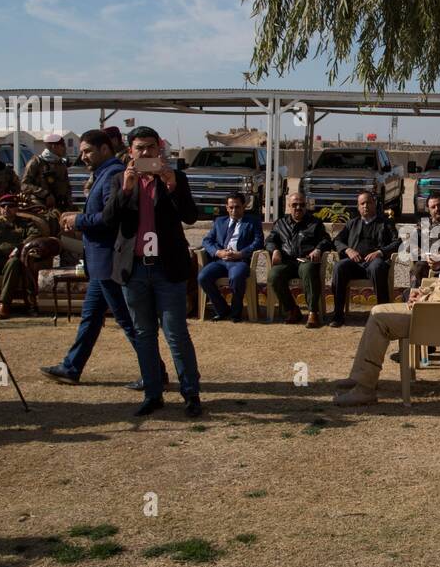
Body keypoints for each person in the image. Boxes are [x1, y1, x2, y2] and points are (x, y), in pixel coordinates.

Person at [334, 202, 440, 406]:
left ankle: (365, 388)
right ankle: (360, 376)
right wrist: (423, 291)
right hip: (439, 312)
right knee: (376, 311)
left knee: (379, 318)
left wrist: (422, 300)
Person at [39, 130, 162, 389]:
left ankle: (155, 373)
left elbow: (110, 218)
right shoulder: (104, 173)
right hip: (99, 262)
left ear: (104, 149)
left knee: (128, 322)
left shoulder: (113, 175)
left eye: (87, 151)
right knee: (91, 317)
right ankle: (71, 367)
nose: (82, 156)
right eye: (82, 151)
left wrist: (78, 220)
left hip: (109, 262)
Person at [104, 126, 202, 417]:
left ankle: (191, 394)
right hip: (133, 270)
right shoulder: (118, 180)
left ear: (159, 148)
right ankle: (152, 393)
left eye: (150, 147)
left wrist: (172, 187)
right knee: (144, 333)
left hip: (166, 268)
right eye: (139, 148)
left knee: (176, 333)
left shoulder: (176, 178)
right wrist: (127, 189)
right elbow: (109, 220)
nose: (145, 153)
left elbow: (190, 217)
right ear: (130, 151)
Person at [329, 190, 400, 328]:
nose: (365, 206)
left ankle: (382, 314)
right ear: (358, 207)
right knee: (339, 266)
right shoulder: (352, 223)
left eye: (368, 203)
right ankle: (338, 315)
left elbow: (397, 242)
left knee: (377, 267)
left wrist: (380, 252)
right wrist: (348, 250)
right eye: (362, 203)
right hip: (355, 264)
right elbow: (337, 241)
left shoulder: (385, 223)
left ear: (375, 204)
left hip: (375, 263)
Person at [266, 191, 331, 327]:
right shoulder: (280, 223)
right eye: (294, 205)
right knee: (274, 275)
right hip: (287, 262)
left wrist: (318, 249)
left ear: (306, 206)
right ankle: (292, 309)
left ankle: (313, 312)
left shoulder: (315, 223)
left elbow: (326, 240)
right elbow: (270, 240)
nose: (298, 208)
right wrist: (275, 250)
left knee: (308, 269)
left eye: (301, 205)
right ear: (289, 206)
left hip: (306, 261)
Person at [198, 193, 264, 322]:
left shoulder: (252, 222)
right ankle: (222, 309)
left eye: (237, 207)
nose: (234, 210)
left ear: (244, 206)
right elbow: (207, 241)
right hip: (220, 261)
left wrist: (240, 254)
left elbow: (258, 242)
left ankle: (236, 312)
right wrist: (218, 252)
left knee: (236, 276)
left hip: (239, 261)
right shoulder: (219, 221)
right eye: (231, 207)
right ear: (227, 207)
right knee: (203, 277)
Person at [22, 131, 73, 212]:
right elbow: (24, 185)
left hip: (60, 205)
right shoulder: (36, 162)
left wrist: (69, 202)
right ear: (54, 146)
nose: (64, 149)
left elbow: (67, 185)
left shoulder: (61, 164)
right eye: (62, 146)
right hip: (40, 205)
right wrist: (45, 194)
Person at [409, 190, 440, 288]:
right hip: (426, 261)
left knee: (419, 267)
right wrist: (425, 255)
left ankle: (416, 299)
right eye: (433, 207)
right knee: (402, 262)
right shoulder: (424, 225)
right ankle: (404, 296)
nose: (437, 209)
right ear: (428, 210)